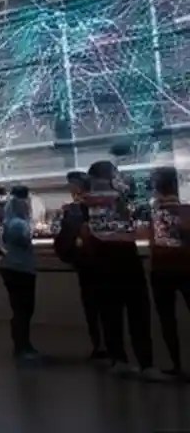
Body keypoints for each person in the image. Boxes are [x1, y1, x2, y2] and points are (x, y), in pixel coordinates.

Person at [84, 160, 160, 379]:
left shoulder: (87, 203)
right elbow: (138, 228)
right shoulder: (122, 199)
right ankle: (145, 363)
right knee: (138, 314)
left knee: (110, 314)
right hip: (126, 262)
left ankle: (119, 359)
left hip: (102, 265)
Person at [55, 171, 106, 360]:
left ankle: (98, 345)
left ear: (76, 187)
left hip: (85, 264)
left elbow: (64, 238)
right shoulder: (102, 205)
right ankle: (111, 346)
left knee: (91, 306)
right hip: (103, 261)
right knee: (106, 306)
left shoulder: (74, 210)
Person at [148, 166, 189, 377]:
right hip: (186, 267)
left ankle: (177, 365)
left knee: (167, 319)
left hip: (162, 269)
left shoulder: (155, 212)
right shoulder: (185, 209)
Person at [0, 186, 39, 362]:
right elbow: (23, 240)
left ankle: (22, 344)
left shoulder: (9, 219)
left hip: (11, 267)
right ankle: (22, 346)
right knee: (24, 309)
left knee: (19, 309)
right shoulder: (19, 222)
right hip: (21, 268)